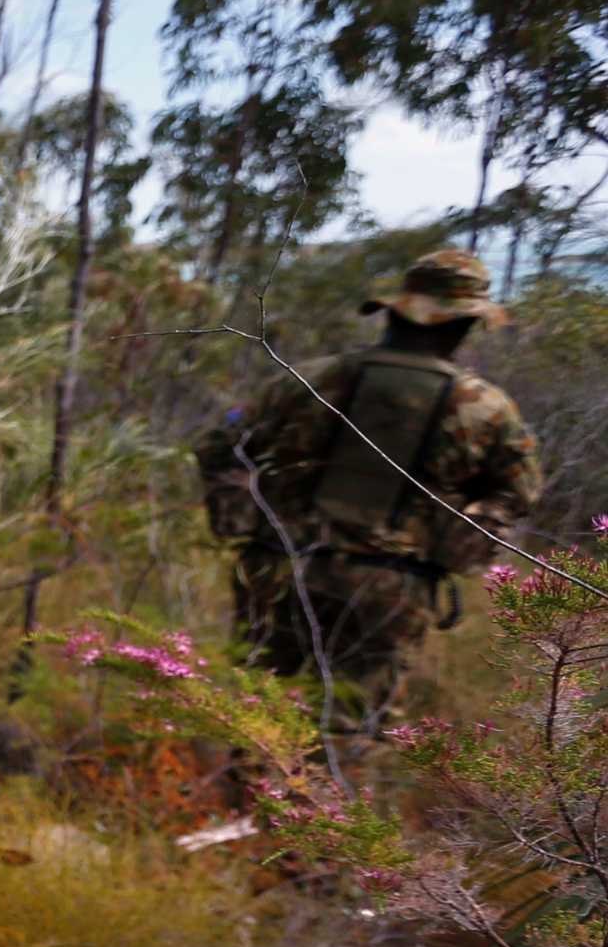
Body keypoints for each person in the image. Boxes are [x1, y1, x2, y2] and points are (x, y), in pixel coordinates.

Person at [194, 245, 543, 737]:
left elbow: (221, 445)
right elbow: (517, 493)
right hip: (391, 591)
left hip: (280, 566)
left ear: (396, 311)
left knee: (256, 716)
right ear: (466, 325)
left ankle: (245, 808)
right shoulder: (487, 408)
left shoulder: (313, 378)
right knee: (349, 730)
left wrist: (239, 518)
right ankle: (313, 811)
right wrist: (459, 540)